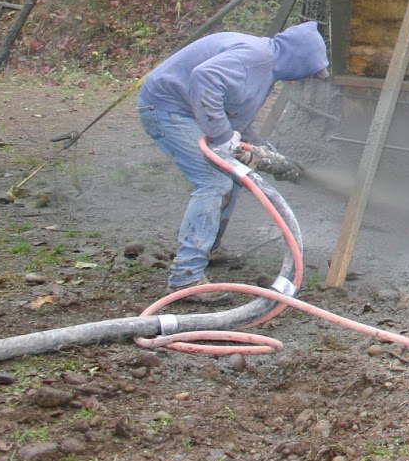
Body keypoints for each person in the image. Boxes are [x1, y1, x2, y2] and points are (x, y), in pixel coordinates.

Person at [136, 20, 327, 295]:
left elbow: (234, 116)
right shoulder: (256, 57)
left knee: (232, 175)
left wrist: (266, 153)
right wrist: (224, 137)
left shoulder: (267, 67)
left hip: (186, 109)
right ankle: (186, 277)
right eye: (308, 71)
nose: (305, 79)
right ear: (298, 60)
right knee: (215, 182)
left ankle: (208, 247)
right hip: (166, 108)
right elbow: (204, 78)